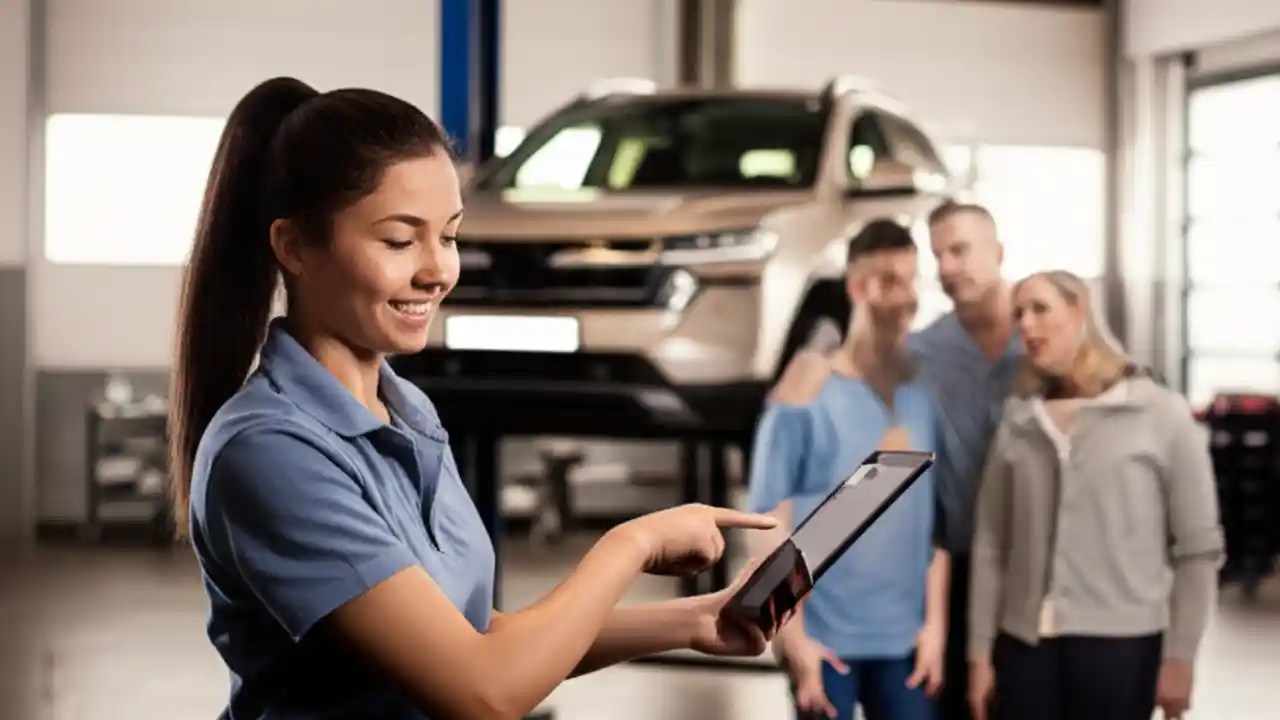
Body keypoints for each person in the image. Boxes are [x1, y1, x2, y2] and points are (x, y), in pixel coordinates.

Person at [167, 76, 781, 720]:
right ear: (294, 247)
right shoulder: (269, 451)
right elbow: (480, 688)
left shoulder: (408, 412)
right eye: (400, 241)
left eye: (451, 236)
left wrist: (694, 620)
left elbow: (476, 637)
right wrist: (631, 545)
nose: (437, 271)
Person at [966, 270, 1224, 720]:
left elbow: (1198, 549)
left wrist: (1181, 656)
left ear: (1081, 311)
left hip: (1122, 646)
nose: (1026, 325)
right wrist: (979, 655)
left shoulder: (1160, 413)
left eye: (1040, 309)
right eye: (1018, 314)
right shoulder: (1018, 422)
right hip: (1024, 647)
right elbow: (991, 545)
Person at [748, 219, 949, 720]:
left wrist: (935, 627)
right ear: (857, 287)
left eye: (911, 280)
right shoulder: (802, 400)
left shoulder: (921, 396)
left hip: (905, 645)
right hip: (823, 643)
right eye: (889, 281)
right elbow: (766, 526)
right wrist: (794, 642)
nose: (906, 297)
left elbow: (934, 526)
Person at [906, 201, 1021, 720]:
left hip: (1040, 574)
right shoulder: (920, 354)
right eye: (938, 255)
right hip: (956, 570)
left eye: (960, 250)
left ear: (998, 252)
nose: (947, 267)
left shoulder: (1048, 343)